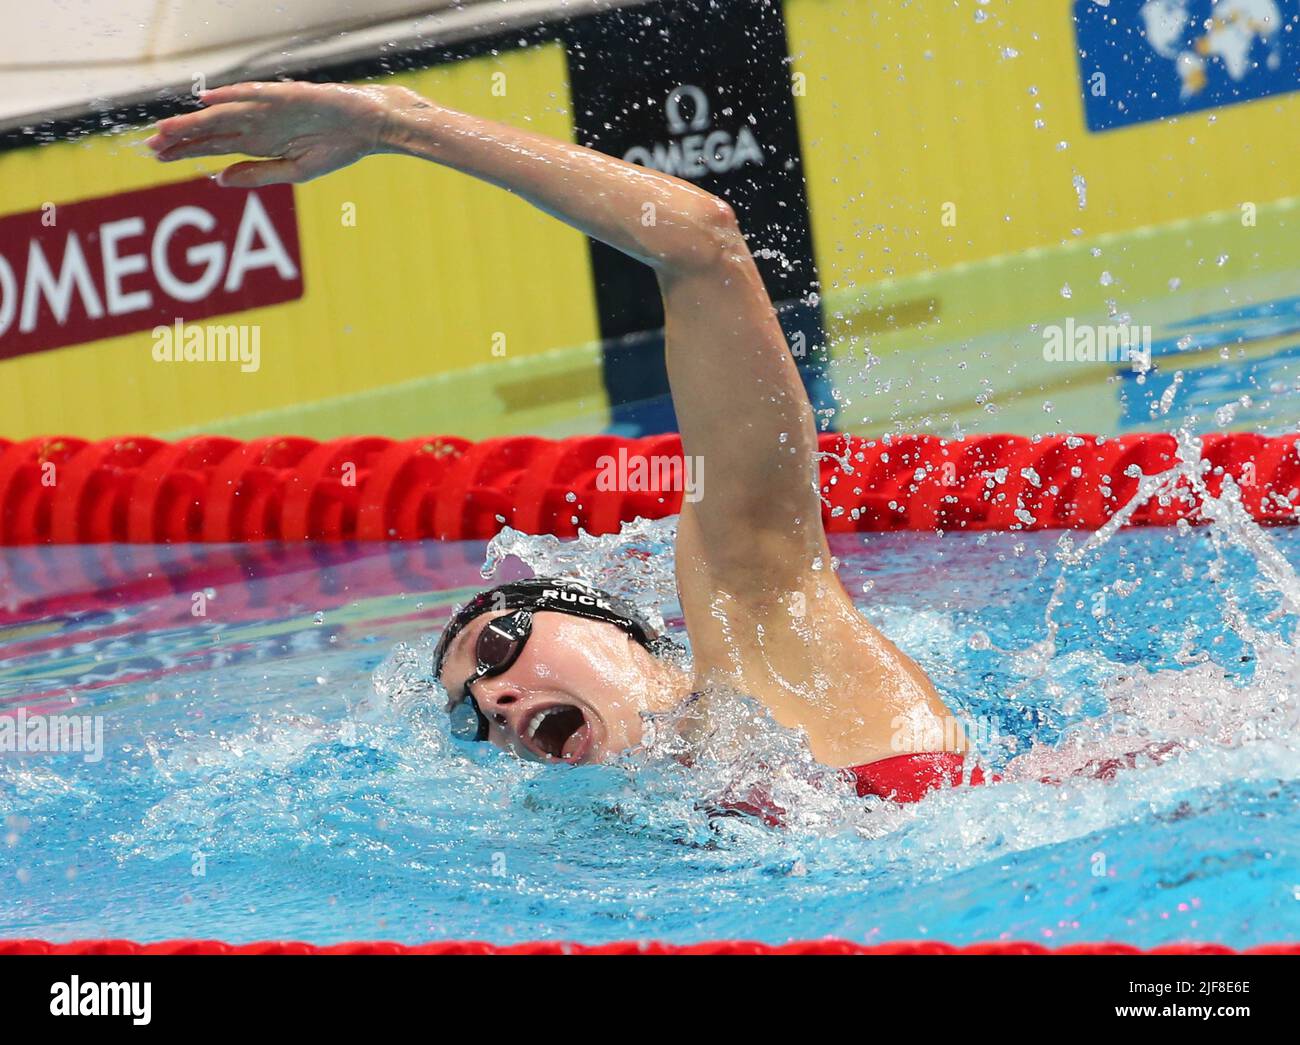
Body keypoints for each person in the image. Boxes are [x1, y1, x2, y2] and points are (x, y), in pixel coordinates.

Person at [148, 79, 982, 802]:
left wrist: (397, 127)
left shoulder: (768, 630)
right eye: (472, 716)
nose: (497, 704)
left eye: (501, 648)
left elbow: (701, 245)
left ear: (616, 628)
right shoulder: (660, 830)